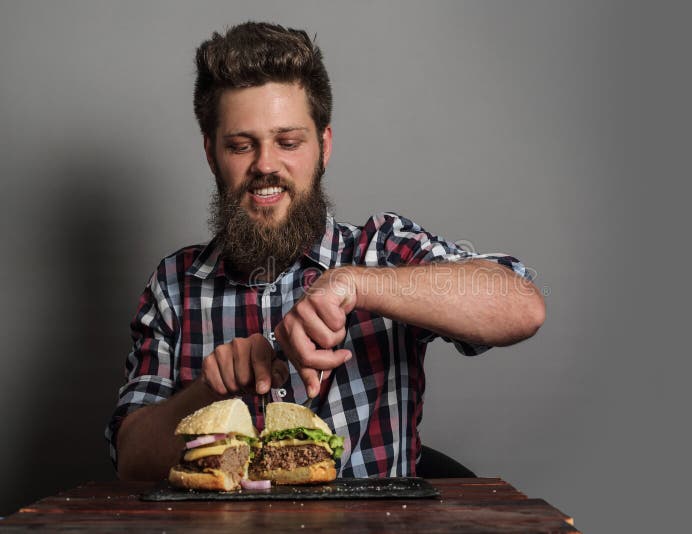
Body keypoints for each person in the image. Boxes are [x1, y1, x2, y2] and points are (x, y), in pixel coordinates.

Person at [107, 21, 545, 481]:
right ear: (212, 154)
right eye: (240, 146)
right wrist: (209, 392)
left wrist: (353, 283)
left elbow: (522, 305)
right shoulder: (176, 284)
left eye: (288, 142)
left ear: (324, 147)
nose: (266, 165)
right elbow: (132, 462)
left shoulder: (379, 250)